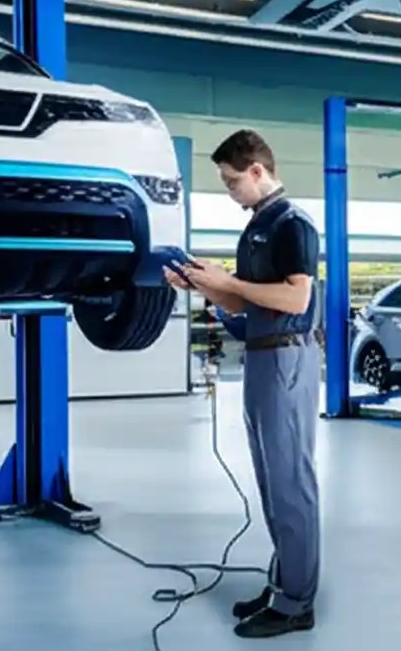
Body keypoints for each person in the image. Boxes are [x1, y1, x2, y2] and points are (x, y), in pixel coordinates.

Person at [163, 129, 321, 639]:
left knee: (291, 483)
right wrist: (203, 285)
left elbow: (296, 299)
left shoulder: (292, 225)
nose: (230, 190)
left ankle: (297, 603)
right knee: (272, 482)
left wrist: (228, 281)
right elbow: (242, 301)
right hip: (260, 357)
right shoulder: (257, 227)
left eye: (233, 182)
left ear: (258, 171)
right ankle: (283, 586)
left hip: (287, 359)